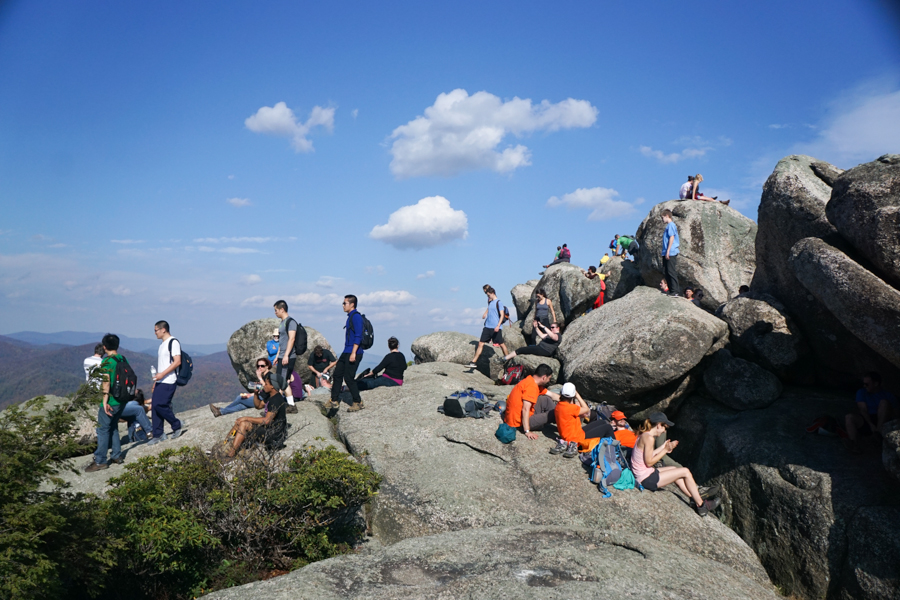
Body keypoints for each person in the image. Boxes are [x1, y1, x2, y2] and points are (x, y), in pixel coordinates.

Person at [631, 412, 720, 516]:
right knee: (685, 471)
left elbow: (650, 454)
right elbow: (649, 462)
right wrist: (665, 451)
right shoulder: (649, 438)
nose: (664, 430)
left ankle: (693, 499)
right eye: (664, 427)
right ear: (659, 425)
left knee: (674, 469)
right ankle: (702, 506)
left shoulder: (644, 435)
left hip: (642, 474)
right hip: (645, 479)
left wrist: (664, 447)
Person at [85, 333, 129, 472]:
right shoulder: (122, 358)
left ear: (104, 347)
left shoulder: (107, 362)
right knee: (113, 426)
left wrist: (104, 401)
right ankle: (116, 455)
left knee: (103, 430)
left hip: (111, 400)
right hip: (122, 399)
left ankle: (100, 461)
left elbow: (106, 382)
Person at [223, 371, 288, 462]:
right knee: (240, 422)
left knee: (244, 424)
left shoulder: (276, 400)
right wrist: (256, 393)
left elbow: (267, 421)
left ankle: (231, 455)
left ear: (273, 386)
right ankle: (225, 444)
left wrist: (246, 418)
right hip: (269, 429)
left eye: (266, 383)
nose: (264, 385)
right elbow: (258, 406)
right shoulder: (271, 396)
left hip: (274, 433)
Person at [551, 382, 615, 458]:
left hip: (574, 433)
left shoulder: (559, 406)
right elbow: (587, 409)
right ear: (573, 395)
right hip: (576, 438)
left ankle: (604, 444)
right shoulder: (571, 408)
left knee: (602, 422)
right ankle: (614, 449)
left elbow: (569, 415)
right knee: (608, 427)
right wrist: (578, 395)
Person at [326, 295, 366, 413]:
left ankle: (358, 402)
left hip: (354, 352)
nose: (343, 305)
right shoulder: (350, 317)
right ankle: (334, 400)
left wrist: (353, 353)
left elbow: (358, 336)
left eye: (345, 303)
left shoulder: (356, 317)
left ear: (352, 304)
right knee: (337, 374)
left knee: (348, 377)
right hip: (347, 351)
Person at [503, 364, 560, 440]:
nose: (549, 381)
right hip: (519, 422)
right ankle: (564, 424)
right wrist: (527, 431)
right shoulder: (531, 387)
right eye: (549, 378)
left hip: (518, 415)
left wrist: (570, 404)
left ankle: (561, 421)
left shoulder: (530, 380)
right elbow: (525, 409)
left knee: (546, 400)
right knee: (554, 412)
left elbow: (552, 395)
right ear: (544, 377)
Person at [844, 372, 898, 452]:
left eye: (867, 384)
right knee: (849, 417)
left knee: (884, 403)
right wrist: (870, 424)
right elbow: (863, 409)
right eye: (864, 384)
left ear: (876, 384)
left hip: (883, 422)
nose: (864, 386)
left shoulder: (888, 395)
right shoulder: (862, 392)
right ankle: (854, 444)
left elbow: (896, 412)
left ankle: (877, 436)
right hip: (867, 419)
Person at [149, 320, 183, 446]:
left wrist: (162, 374)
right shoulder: (162, 345)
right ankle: (157, 434)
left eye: (156, 330)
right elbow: (162, 364)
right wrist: (156, 380)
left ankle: (176, 425)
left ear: (163, 329)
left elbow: (177, 361)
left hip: (169, 380)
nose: (155, 333)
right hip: (161, 380)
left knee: (160, 405)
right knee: (155, 406)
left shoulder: (173, 342)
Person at [467, 286, 508, 367]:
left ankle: (508, 359)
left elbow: (502, 315)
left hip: (496, 327)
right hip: (487, 327)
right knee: (480, 343)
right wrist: (485, 313)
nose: (488, 297)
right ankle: (473, 362)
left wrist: (498, 325)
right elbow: (489, 308)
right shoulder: (490, 302)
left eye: (489, 295)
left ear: (493, 293)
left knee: (501, 344)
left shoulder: (498, 302)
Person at [272, 300, 298, 409]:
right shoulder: (282, 322)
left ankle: (288, 405)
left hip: (288, 356)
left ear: (282, 309)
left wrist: (286, 355)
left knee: (282, 381)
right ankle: (286, 404)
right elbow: (282, 341)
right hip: (282, 356)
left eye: (276, 310)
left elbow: (292, 339)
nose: (275, 312)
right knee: (281, 381)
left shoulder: (291, 322)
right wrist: (278, 355)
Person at [661, 209, 681, 297]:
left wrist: (668, 251)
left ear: (667, 216)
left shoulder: (671, 225)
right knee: (666, 271)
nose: (662, 220)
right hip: (666, 252)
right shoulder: (668, 226)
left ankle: (675, 291)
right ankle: (671, 290)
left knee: (671, 271)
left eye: (662, 217)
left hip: (671, 251)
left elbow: (672, 237)